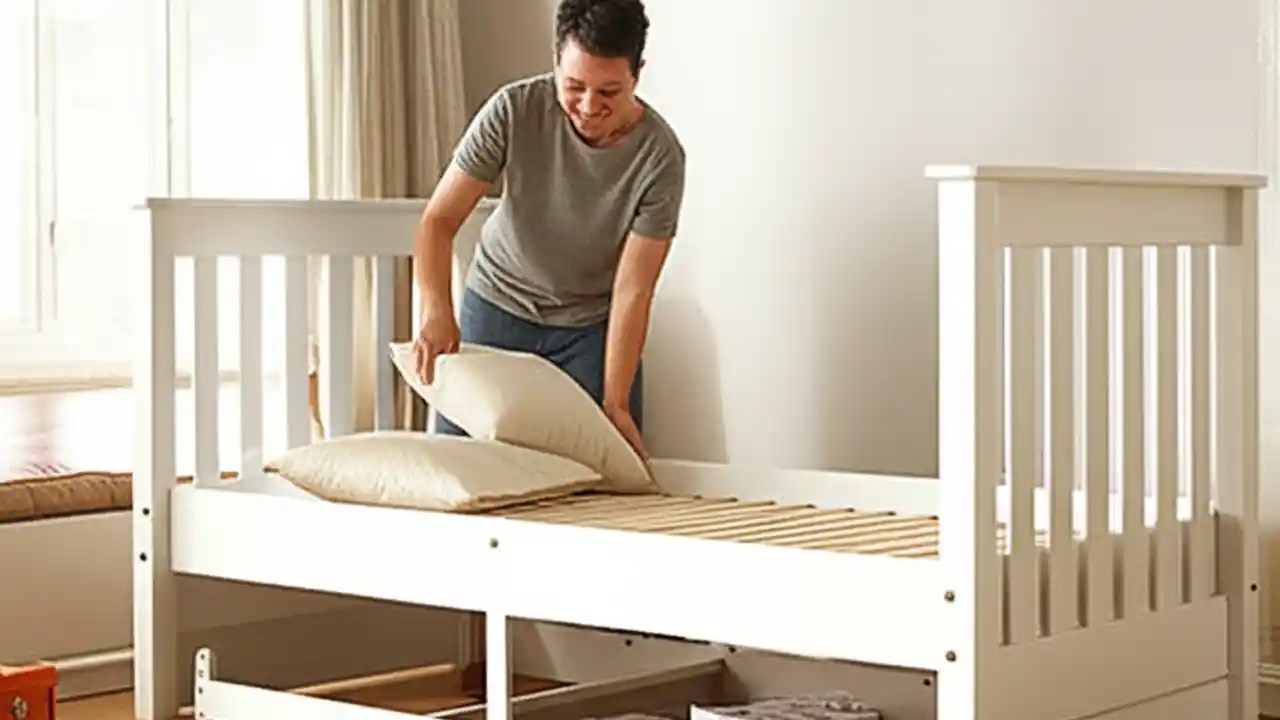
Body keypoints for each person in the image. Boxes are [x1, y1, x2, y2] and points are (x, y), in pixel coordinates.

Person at [411, 0, 685, 459]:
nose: (589, 106)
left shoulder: (660, 158)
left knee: (604, 472)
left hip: (588, 330)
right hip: (497, 307)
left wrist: (615, 401)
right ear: (555, 62)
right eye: (574, 86)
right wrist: (437, 310)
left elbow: (633, 290)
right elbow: (438, 221)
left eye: (609, 92)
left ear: (637, 73)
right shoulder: (513, 110)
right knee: (462, 466)